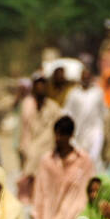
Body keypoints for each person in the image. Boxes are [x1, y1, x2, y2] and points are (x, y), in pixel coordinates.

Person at [32, 115, 95, 219]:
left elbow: (92, 189)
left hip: (78, 218)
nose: (60, 138)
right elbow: (40, 190)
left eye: (64, 134)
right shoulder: (47, 161)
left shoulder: (84, 160)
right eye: (58, 134)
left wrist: (92, 216)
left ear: (71, 135)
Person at [18, 75, 64, 203]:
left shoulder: (53, 107)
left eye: (43, 86)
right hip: (30, 151)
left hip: (48, 151)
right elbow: (23, 128)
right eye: (38, 86)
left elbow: (60, 127)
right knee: (30, 184)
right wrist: (22, 150)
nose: (40, 89)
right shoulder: (27, 105)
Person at [64, 69, 106, 166]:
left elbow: (103, 112)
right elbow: (67, 113)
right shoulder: (73, 93)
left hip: (95, 131)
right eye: (84, 76)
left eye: (88, 76)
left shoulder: (98, 92)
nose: (86, 78)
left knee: (94, 159)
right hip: (77, 133)